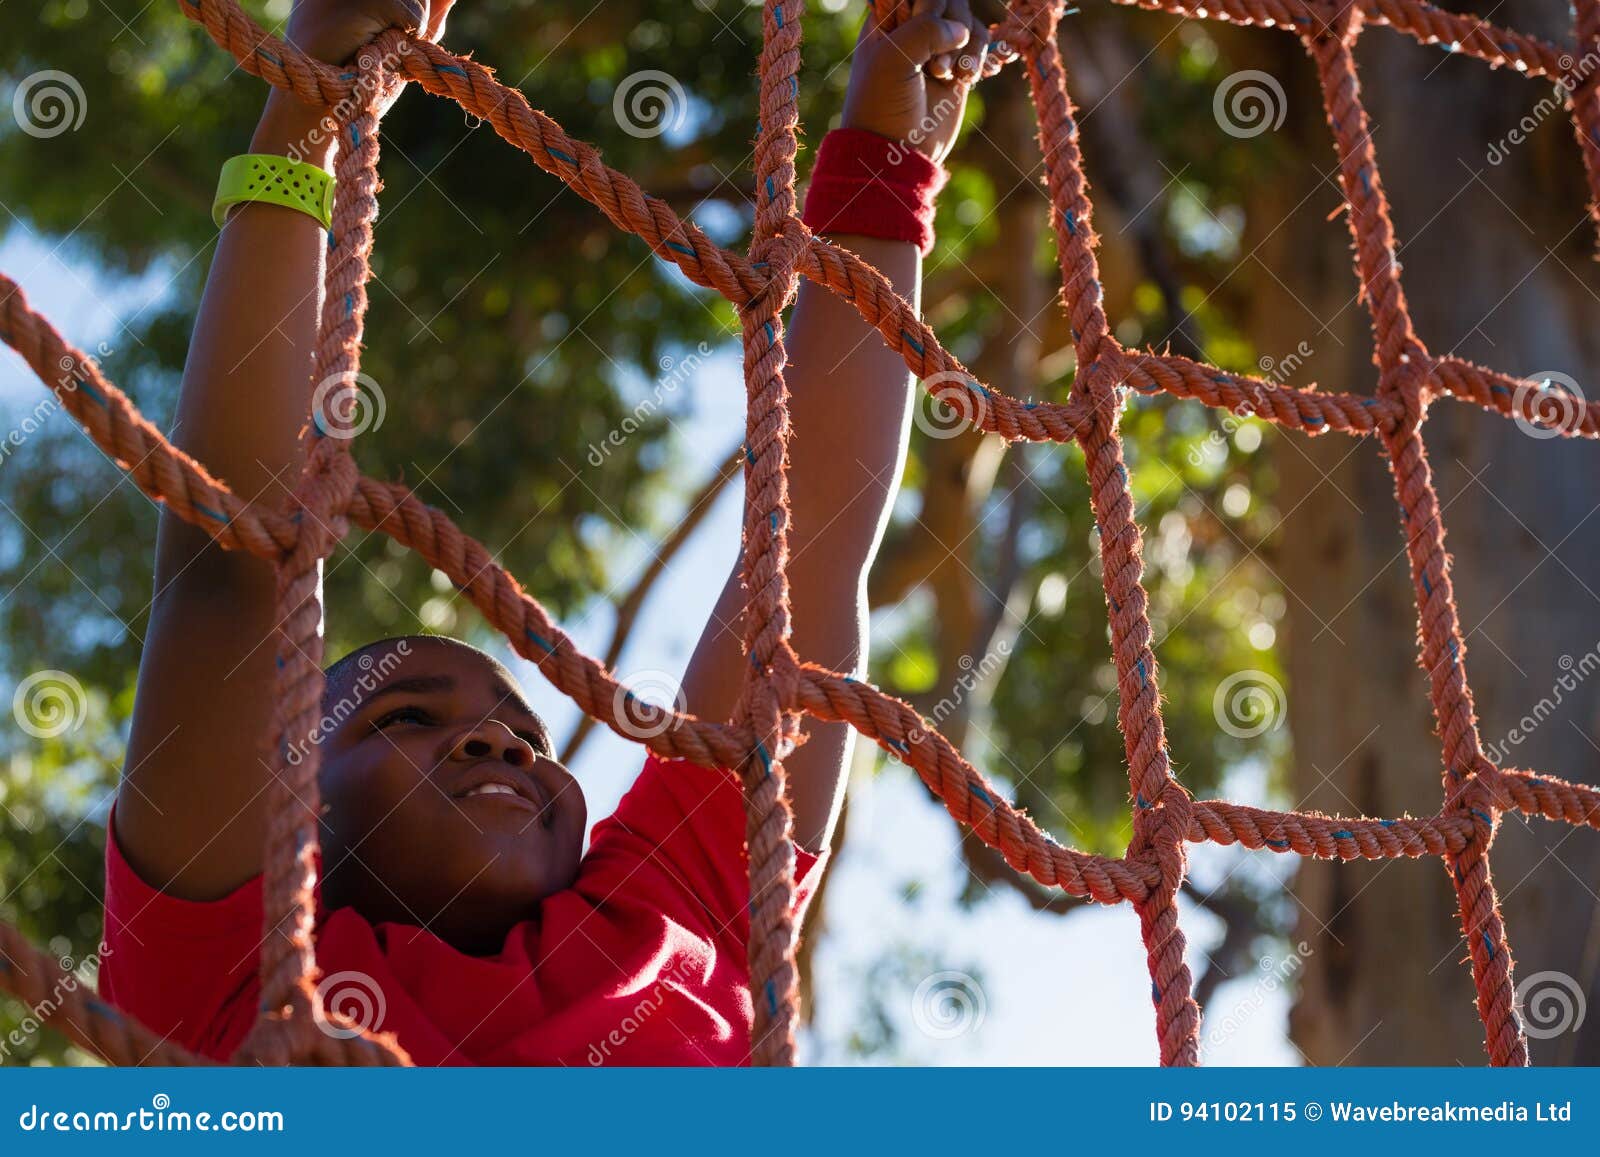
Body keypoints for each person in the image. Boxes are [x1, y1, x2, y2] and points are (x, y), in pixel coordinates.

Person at [100, 0, 993, 1065]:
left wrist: (884, 156)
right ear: (281, 799)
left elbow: (814, 539)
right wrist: (303, 112)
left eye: (525, 733)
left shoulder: (669, 922)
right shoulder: (233, 977)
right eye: (397, 719)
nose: (495, 742)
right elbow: (232, 562)